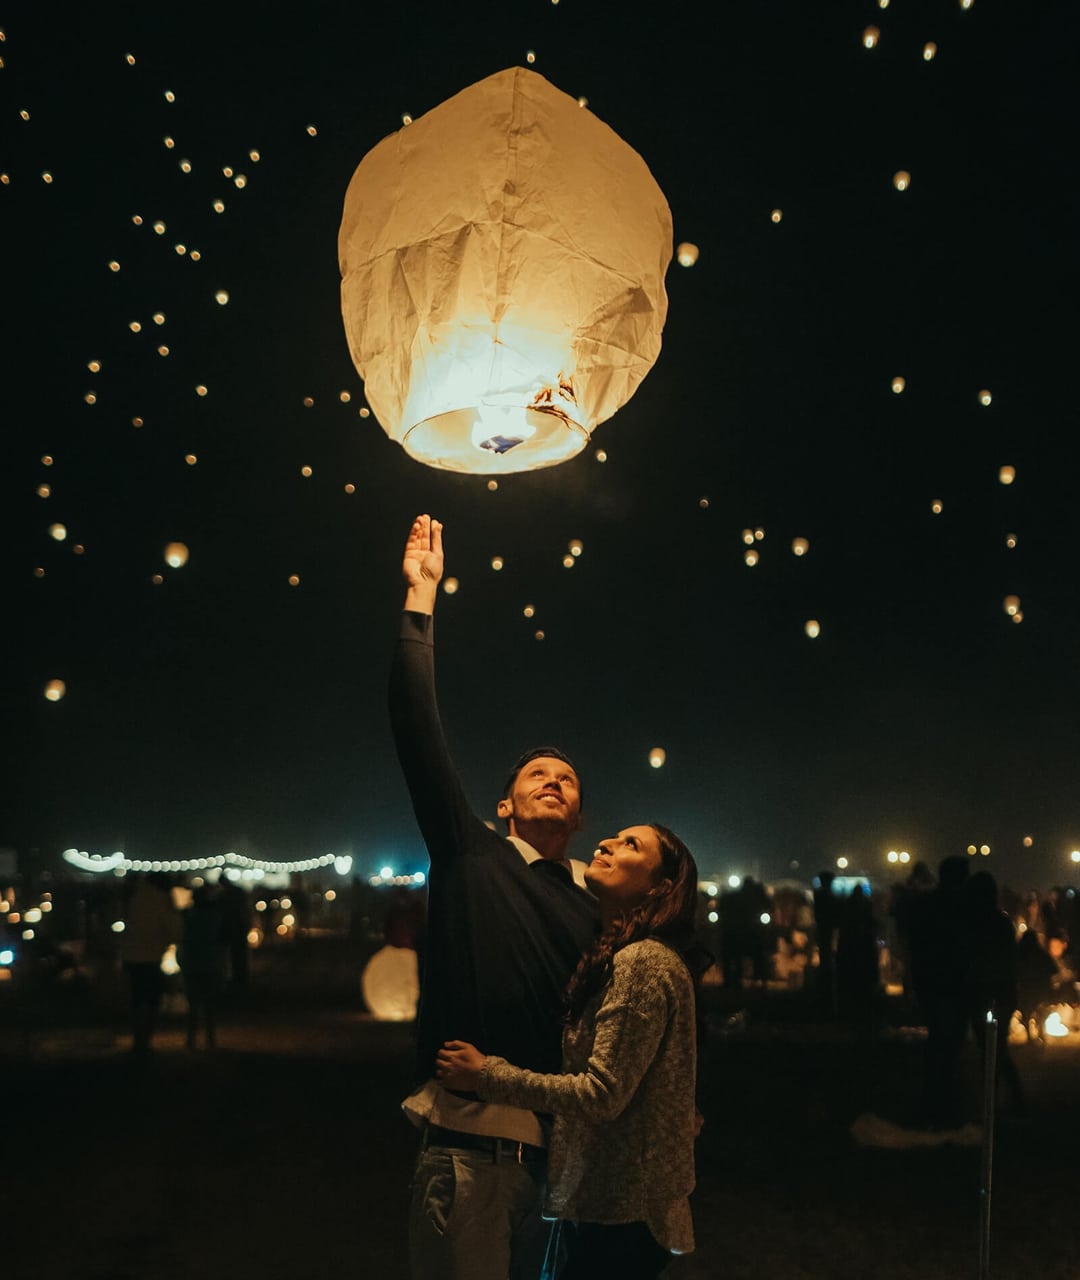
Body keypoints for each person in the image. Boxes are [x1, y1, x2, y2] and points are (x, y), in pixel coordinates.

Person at [390, 514, 598, 1280]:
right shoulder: (471, 855)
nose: (554, 779)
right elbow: (416, 729)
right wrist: (421, 602)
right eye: (537, 774)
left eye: (568, 779)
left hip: (568, 1170)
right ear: (502, 806)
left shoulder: (594, 906)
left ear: (579, 817)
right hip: (469, 1153)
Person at [437, 823, 700, 1279]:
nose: (606, 844)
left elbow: (602, 1094)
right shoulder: (626, 954)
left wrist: (487, 1075)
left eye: (630, 845)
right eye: (613, 837)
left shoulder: (641, 962)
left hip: (621, 1213)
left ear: (660, 887)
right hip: (613, 1207)